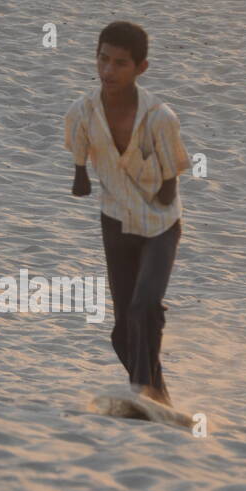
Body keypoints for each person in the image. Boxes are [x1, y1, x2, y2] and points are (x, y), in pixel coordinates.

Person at [64, 21, 189, 406]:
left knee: (145, 306)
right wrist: (81, 173)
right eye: (103, 60)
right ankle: (155, 391)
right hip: (115, 221)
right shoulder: (83, 111)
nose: (108, 71)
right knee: (122, 331)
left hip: (159, 224)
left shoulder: (159, 118)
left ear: (141, 68)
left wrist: (160, 184)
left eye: (120, 63)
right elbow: (79, 155)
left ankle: (141, 390)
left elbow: (172, 176)